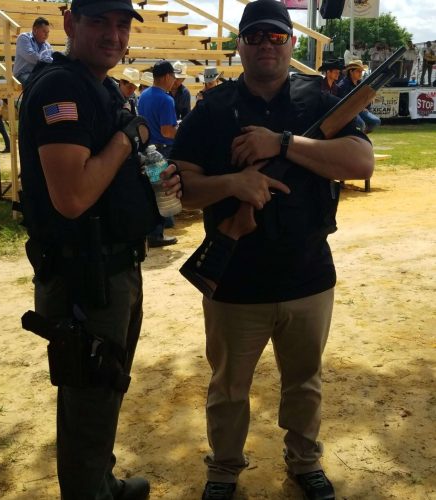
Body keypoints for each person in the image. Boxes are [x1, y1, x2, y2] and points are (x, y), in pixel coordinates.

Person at [170, 1, 374, 499]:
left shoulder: (318, 99)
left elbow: (360, 162)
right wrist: (233, 183)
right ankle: (223, 470)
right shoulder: (213, 109)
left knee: (304, 382)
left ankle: (305, 462)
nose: (266, 44)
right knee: (228, 387)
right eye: (255, 36)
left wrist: (282, 144)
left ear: (291, 43)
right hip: (233, 277)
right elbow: (184, 189)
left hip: (308, 274)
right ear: (240, 45)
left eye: (277, 36)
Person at [17, 0, 181, 498]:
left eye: (122, 24)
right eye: (99, 22)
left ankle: (102, 483)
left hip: (115, 267)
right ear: (70, 23)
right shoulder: (60, 87)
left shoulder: (102, 86)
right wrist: (126, 141)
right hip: (84, 279)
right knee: (90, 395)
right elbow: (72, 197)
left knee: (104, 391)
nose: (113, 34)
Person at [138, 60, 179, 248]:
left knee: (151, 192)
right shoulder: (166, 99)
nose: (174, 81)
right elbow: (167, 131)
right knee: (163, 193)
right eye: (173, 77)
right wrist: (182, 132)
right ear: (166, 76)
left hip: (147, 149)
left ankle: (156, 229)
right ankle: (156, 234)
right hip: (162, 150)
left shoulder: (144, 95)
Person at [337, 59, 381, 133]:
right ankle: (359, 137)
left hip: (359, 110)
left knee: (376, 121)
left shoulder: (361, 83)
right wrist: (359, 107)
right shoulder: (343, 85)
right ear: (351, 72)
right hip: (347, 111)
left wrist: (366, 106)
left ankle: (361, 136)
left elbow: (365, 97)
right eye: (358, 71)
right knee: (361, 124)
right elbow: (344, 104)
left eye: (361, 71)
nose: (360, 74)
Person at [13, 17, 53, 85]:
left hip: (39, 74)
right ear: (35, 30)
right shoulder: (23, 38)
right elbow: (31, 56)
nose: (46, 35)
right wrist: (51, 61)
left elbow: (52, 58)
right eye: (44, 31)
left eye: (48, 32)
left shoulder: (47, 45)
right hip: (22, 74)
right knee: (38, 84)